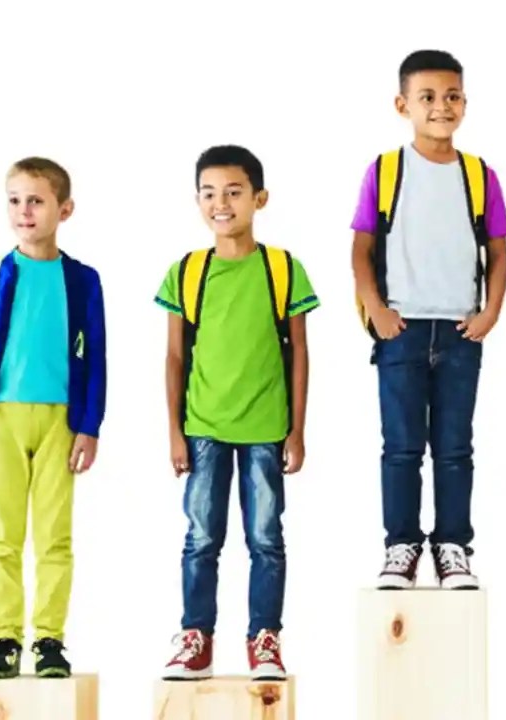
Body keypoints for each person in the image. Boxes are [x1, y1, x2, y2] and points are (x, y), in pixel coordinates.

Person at [350, 49, 506, 591]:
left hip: (462, 331)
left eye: (452, 96)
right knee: (399, 446)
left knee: (454, 446)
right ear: (403, 105)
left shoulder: (478, 174)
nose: (441, 106)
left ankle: (452, 547)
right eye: (428, 97)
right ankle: (400, 546)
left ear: (465, 102)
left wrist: (490, 312)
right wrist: (376, 309)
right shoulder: (386, 170)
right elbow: (361, 248)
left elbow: (498, 250)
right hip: (403, 331)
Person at [157, 145, 319, 680]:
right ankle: (195, 637)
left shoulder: (281, 268)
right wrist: (175, 432)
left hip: (265, 429)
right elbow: (176, 355)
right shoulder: (187, 271)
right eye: (209, 193)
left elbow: (298, 352)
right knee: (201, 537)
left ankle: (264, 639)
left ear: (259, 198)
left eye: (233, 192)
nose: (220, 203)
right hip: (203, 427)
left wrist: (296, 429)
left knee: (266, 539)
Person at [0, 157, 107, 679]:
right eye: (15, 200)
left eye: (37, 200)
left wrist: (90, 425)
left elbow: (98, 356)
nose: (25, 210)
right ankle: (3, 638)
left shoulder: (83, 280)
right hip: (0, 416)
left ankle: (48, 639)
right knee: (2, 533)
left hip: (62, 421)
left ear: (64, 209)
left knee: (54, 535)